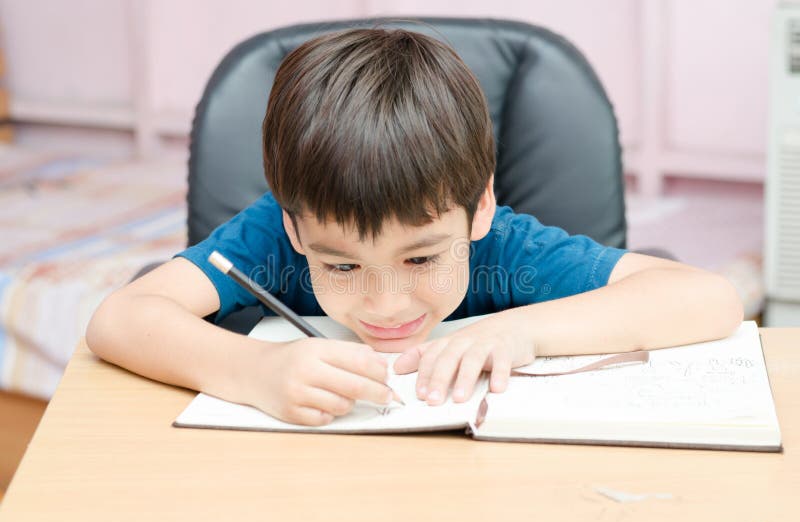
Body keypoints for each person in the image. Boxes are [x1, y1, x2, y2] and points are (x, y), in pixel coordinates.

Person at [86, 28, 743, 426]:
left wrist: (522, 330)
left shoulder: (503, 247)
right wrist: (254, 370)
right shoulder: (268, 237)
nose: (385, 303)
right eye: (341, 265)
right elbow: (119, 318)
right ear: (294, 226)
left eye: (422, 260)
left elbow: (711, 299)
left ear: (479, 207)